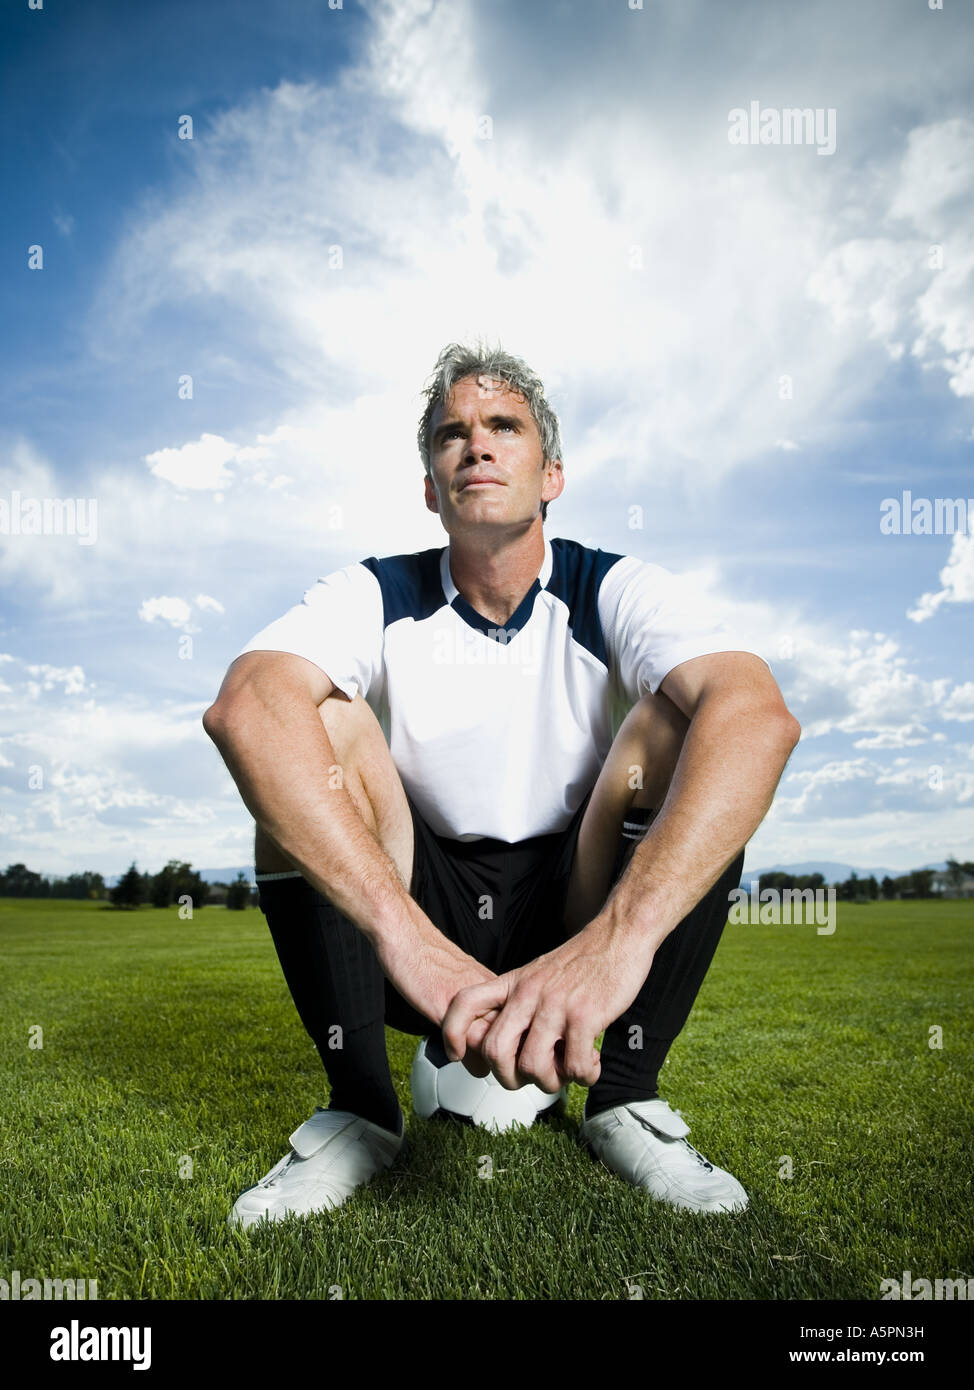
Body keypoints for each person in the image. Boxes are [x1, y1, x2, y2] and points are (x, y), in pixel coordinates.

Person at [202, 340, 801, 1228]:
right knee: (312, 721)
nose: (476, 445)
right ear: (432, 485)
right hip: (419, 893)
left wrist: (616, 943)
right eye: (453, 434)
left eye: (504, 427)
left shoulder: (614, 588)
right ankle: (359, 1109)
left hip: (575, 896)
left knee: (684, 727)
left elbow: (760, 718)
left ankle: (625, 1097)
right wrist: (407, 938)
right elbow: (244, 708)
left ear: (551, 473)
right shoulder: (375, 590)